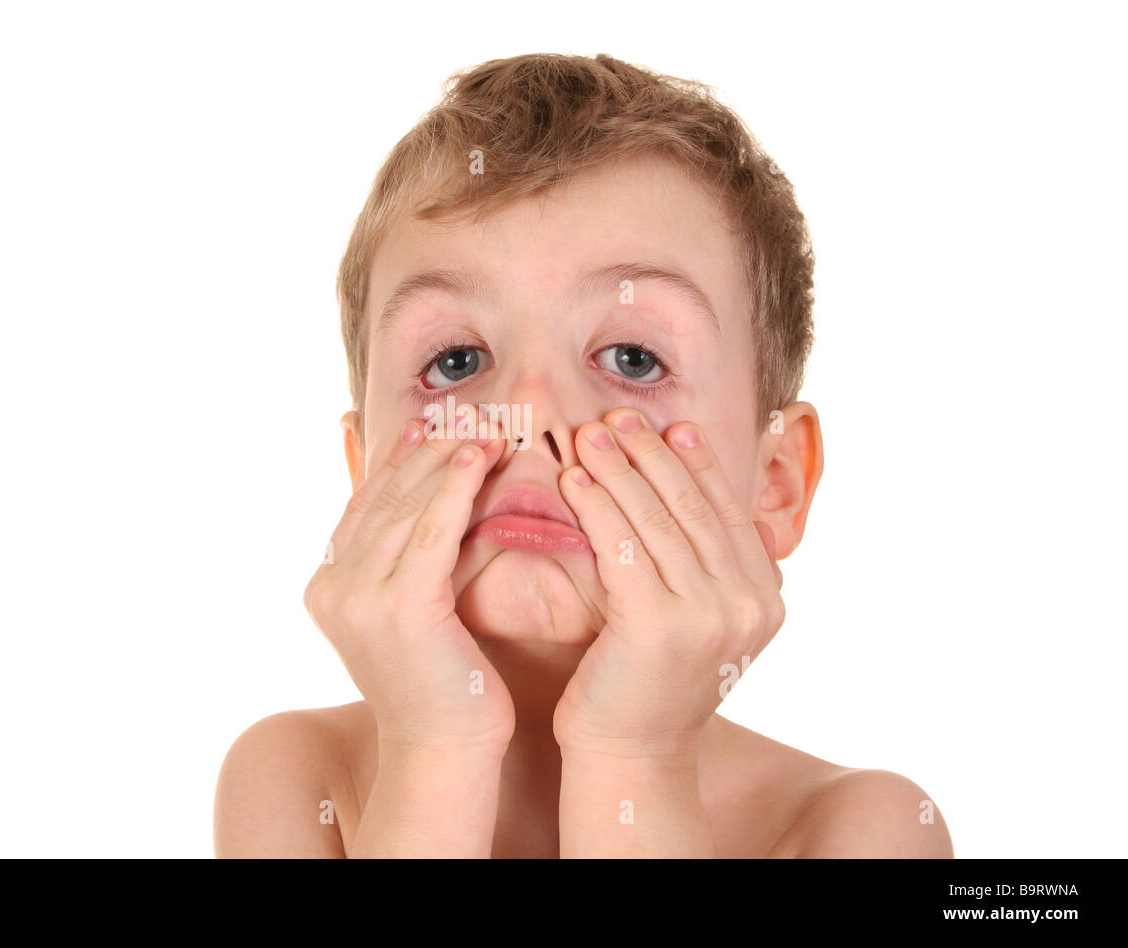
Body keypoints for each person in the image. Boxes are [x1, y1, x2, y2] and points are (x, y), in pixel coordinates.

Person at [214, 52, 953, 858]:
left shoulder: (856, 829)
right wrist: (435, 746)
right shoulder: (299, 779)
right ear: (366, 479)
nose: (526, 414)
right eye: (456, 363)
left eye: (634, 360)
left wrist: (637, 755)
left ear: (774, 483)